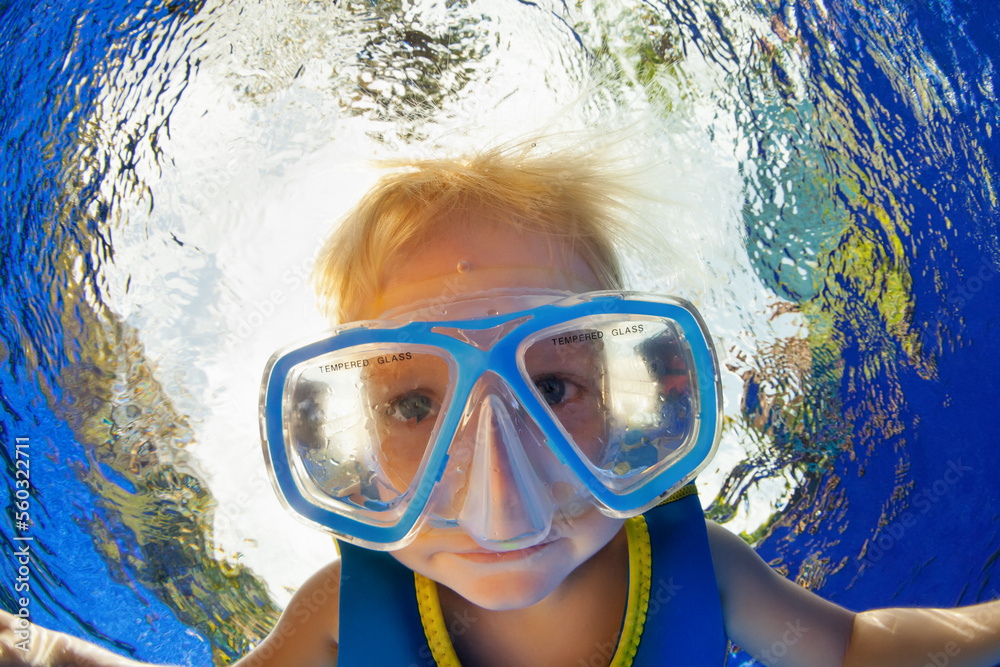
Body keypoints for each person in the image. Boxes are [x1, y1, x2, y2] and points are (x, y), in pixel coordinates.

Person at [3, 140, 1000, 667]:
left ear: (628, 406)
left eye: (554, 384)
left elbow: (859, 650)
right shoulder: (343, 612)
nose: (496, 487)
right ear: (347, 435)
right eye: (411, 406)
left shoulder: (702, 571)